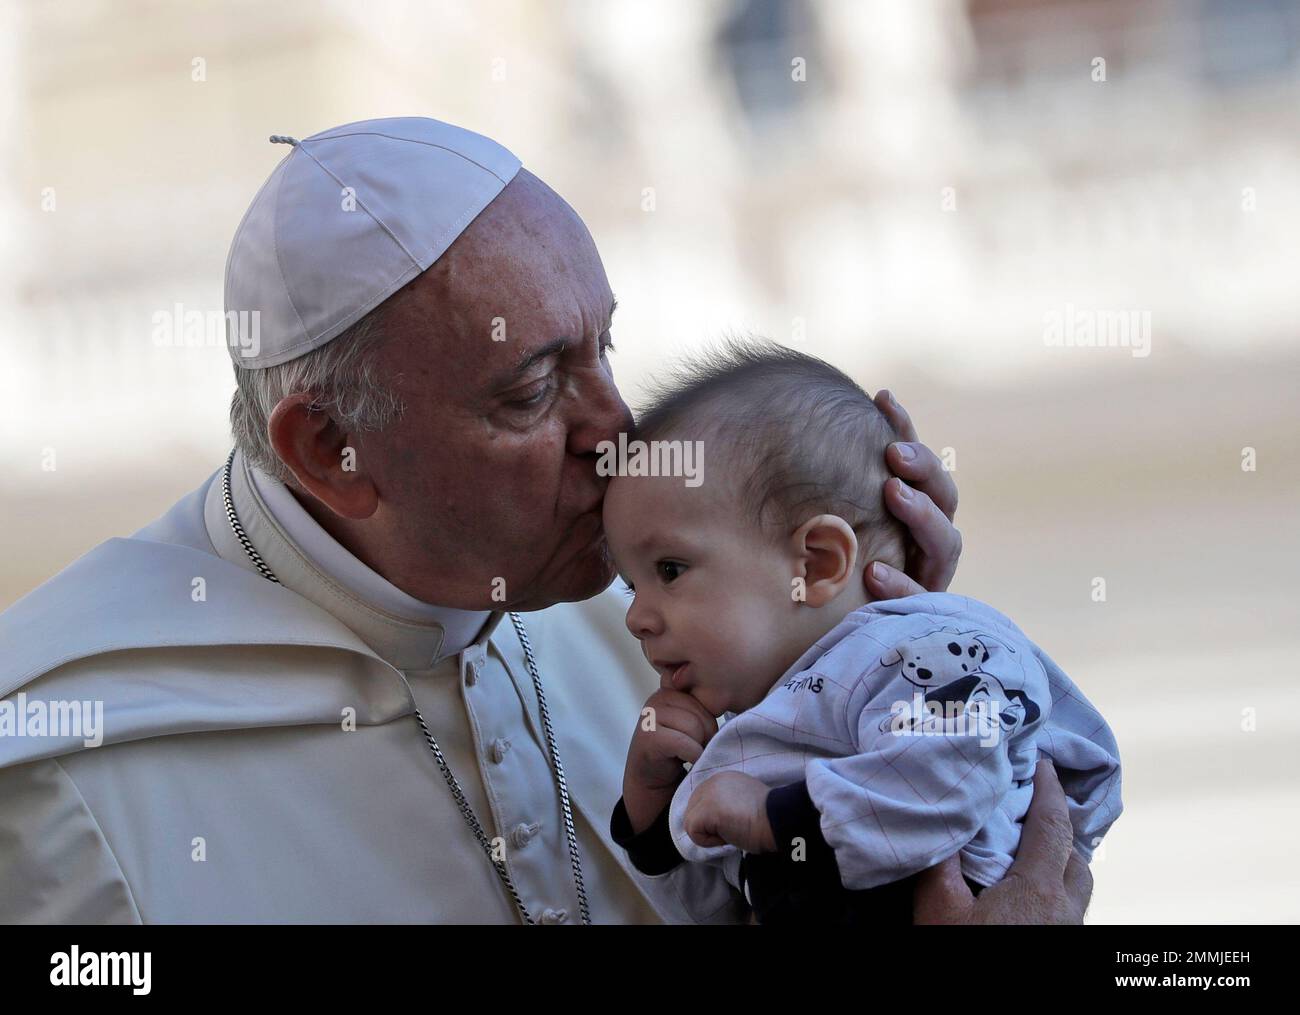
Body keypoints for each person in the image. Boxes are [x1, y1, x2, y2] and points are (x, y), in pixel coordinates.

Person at [0, 117, 1090, 924]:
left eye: (602, 349)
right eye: (531, 391)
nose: (615, 427)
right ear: (331, 451)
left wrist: (860, 645)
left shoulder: (690, 601)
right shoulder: (58, 772)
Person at [602, 341, 1123, 923]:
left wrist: (769, 818)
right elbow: (722, 907)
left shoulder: (920, 651)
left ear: (816, 565)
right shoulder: (773, 720)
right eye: (630, 587)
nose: (635, 618)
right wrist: (654, 817)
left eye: (670, 571)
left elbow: (950, 779)